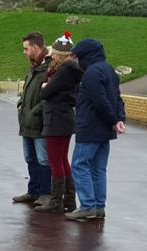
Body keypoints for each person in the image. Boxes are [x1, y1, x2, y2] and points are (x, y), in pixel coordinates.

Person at [66, 38, 126, 222]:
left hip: (90, 127)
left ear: (86, 56)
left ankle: (87, 206)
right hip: (105, 130)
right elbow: (117, 98)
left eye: (78, 57)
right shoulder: (109, 70)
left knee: (79, 164)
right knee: (98, 169)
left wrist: (113, 119)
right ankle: (99, 207)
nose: (77, 61)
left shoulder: (91, 73)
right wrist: (118, 119)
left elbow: (99, 100)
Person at [34, 31, 83, 214]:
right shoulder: (72, 70)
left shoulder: (63, 71)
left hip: (56, 119)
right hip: (65, 118)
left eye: (53, 52)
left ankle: (56, 200)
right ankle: (69, 199)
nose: (50, 55)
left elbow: (46, 93)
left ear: (59, 55)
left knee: (55, 160)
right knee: (62, 159)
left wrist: (45, 86)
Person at [14, 32, 52, 205]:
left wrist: (35, 111)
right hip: (27, 122)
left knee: (43, 159)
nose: (24, 52)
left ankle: (45, 194)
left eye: (26, 48)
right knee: (30, 157)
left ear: (36, 47)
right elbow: (29, 89)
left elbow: (49, 96)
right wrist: (22, 102)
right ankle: (33, 191)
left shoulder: (49, 68)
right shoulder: (33, 67)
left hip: (40, 123)